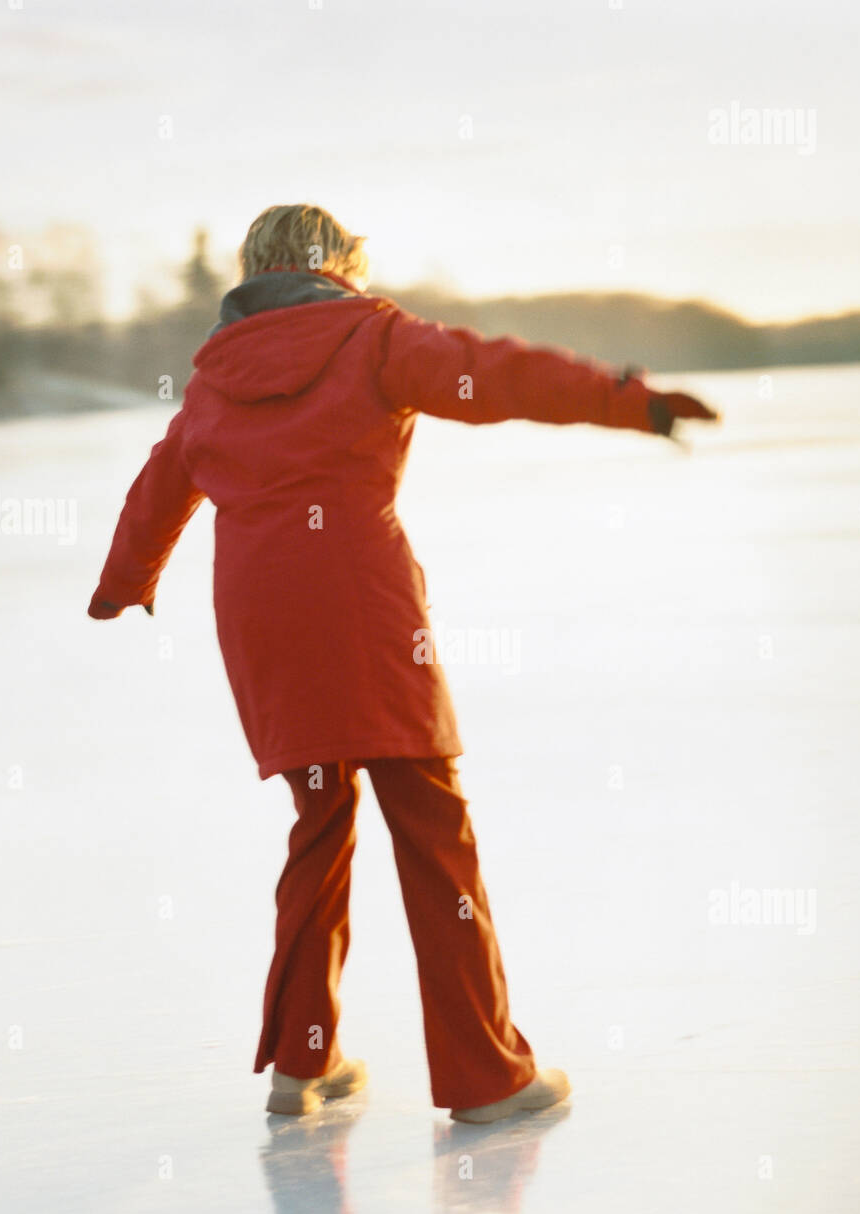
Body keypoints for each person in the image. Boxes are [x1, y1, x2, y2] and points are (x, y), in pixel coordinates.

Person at [88, 204, 719, 1122]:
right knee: (432, 830)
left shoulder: (215, 378)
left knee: (320, 821)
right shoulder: (371, 337)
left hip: (261, 619)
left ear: (253, 272)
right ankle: (487, 1075)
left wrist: (125, 581)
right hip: (361, 604)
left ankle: (303, 1061)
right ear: (340, 265)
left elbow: (161, 483)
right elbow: (495, 375)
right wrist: (628, 401)